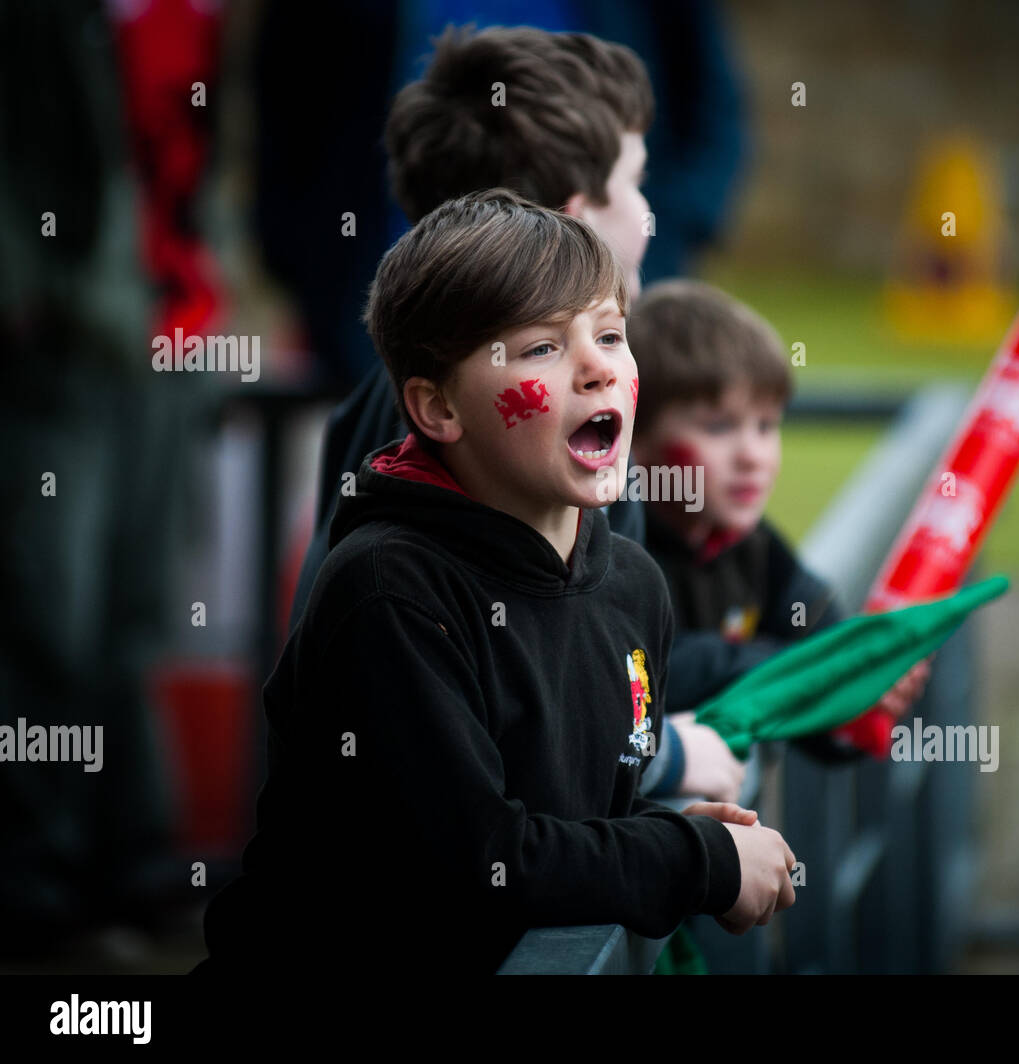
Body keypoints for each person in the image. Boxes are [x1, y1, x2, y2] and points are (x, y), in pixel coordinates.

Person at [195, 191, 799, 974]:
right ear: (438, 406)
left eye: (611, 335)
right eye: (543, 348)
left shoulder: (634, 584)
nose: (597, 369)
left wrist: (667, 827)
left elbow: (568, 808)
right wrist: (692, 857)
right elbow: (480, 859)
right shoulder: (390, 592)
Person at [286, 22, 744, 801]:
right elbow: (546, 680)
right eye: (636, 180)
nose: (648, 213)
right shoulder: (496, 466)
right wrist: (666, 759)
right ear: (574, 214)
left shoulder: (391, 400)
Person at [626, 279, 930, 781]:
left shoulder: (756, 547)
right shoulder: (616, 553)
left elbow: (820, 641)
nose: (752, 454)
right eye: (718, 426)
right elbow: (660, 672)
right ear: (635, 439)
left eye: (767, 425)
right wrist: (798, 669)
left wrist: (863, 681)